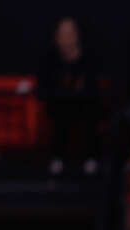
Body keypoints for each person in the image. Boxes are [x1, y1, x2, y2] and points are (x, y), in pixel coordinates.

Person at [39, 17, 100, 173]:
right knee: (59, 112)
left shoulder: (89, 58)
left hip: (85, 104)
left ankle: (91, 159)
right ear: (56, 37)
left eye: (70, 33)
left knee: (91, 112)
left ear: (77, 35)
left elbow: (93, 88)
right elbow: (44, 88)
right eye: (62, 34)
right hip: (58, 105)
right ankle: (57, 159)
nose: (67, 38)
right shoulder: (49, 59)